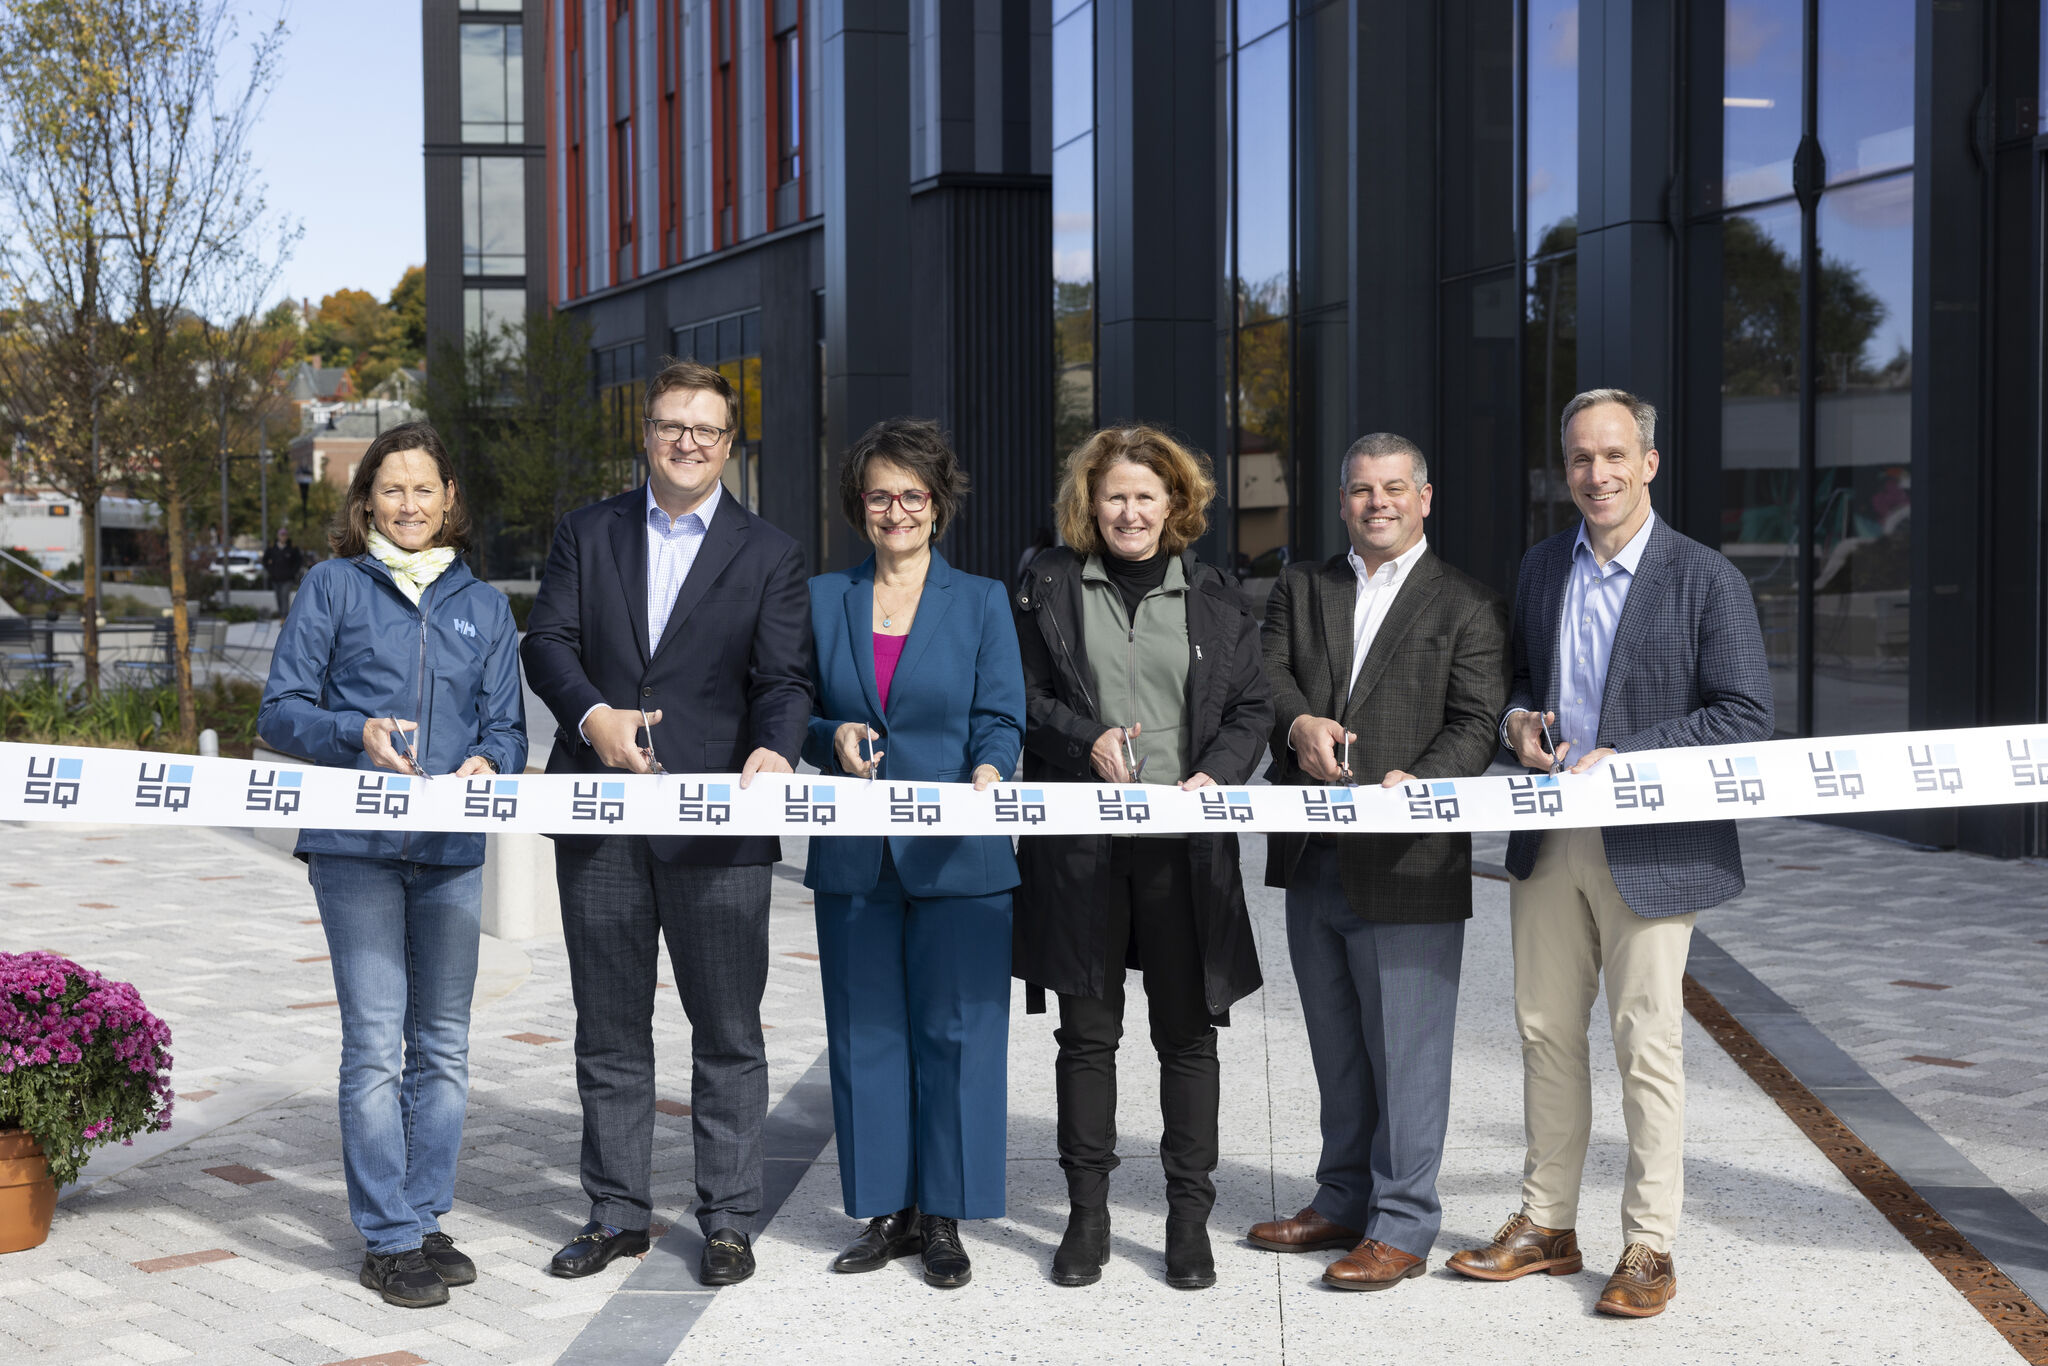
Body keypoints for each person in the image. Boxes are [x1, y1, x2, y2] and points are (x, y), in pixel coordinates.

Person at [1447, 389, 1772, 1318]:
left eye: (1614, 456)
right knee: (1546, 1034)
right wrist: (1518, 722)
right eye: (1582, 458)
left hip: (1655, 842)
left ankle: (1647, 1245)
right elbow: (1520, 677)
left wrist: (1630, 756)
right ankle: (1547, 1225)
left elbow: (1745, 715)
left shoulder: (1706, 578)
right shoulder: (1544, 566)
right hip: (1551, 834)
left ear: (1650, 463)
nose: (1597, 474)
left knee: (1646, 1042)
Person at [520, 357, 811, 1288]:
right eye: (671, 426)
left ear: (730, 445)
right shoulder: (586, 531)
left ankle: (727, 1218)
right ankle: (615, 1212)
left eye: (708, 430)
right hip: (601, 818)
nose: (688, 441)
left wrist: (775, 746)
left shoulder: (768, 552)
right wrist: (592, 718)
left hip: (716, 830)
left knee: (727, 1031)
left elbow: (785, 680)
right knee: (609, 1029)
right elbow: (549, 642)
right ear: (647, 435)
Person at [257, 421, 527, 1309]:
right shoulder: (332, 587)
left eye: (425, 489)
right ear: (365, 499)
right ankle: (386, 1236)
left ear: (451, 499)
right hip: (354, 852)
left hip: (451, 854)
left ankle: (423, 1213)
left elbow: (507, 729)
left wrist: (493, 761)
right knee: (376, 1046)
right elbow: (281, 711)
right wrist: (354, 734)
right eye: (392, 489)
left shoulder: (484, 607)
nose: (409, 505)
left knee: (443, 1047)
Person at [1012, 425, 1274, 1291]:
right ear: (1092, 502)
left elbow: (1251, 708)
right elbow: (1023, 696)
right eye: (1115, 495)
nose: (1130, 512)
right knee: (1087, 1037)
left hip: (1182, 847)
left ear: (1176, 506)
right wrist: (1087, 740)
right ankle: (1086, 1219)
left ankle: (1186, 1221)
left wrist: (1217, 773)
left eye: (1147, 497)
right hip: (1081, 844)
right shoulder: (1046, 582)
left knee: (1186, 1037)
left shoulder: (1216, 595)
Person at [1251, 433, 1508, 1290]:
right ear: (1341, 499)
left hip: (1410, 857)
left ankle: (1402, 1224)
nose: (1378, 503)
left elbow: (1477, 721)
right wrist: (1297, 726)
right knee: (1338, 1048)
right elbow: (1271, 674)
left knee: (1408, 1054)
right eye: (1362, 489)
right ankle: (1342, 1200)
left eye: (1395, 488)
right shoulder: (1304, 585)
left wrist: (1420, 782)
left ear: (1425, 498)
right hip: (1313, 853)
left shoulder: (1467, 602)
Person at [802, 418, 1025, 1289]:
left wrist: (989, 765)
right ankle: (886, 1211)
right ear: (860, 506)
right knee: (867, 1037)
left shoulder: (979, 601)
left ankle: (945, 1216)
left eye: (912, 495)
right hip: (856, 855)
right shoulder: (824, 599)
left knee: (959, 1034)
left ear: (938, 503)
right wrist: (834, 734)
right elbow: (797, 707)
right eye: (879, 495)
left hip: (961, 853)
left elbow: (1002, 714)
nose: (896, 510)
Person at [262, 525, 305, 618]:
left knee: (284, 595)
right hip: (275, 578)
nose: (283, 537)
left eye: (285, 535)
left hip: (288, 579)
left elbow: (299, 561)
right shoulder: (272, 548)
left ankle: (284, 617)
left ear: (287, 536)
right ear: (278, 536)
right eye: (281, 535)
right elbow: (265, 560)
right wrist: (270, 570)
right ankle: (281, 614)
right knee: (278, 597)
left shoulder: (292, 548)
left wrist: (293, 572)